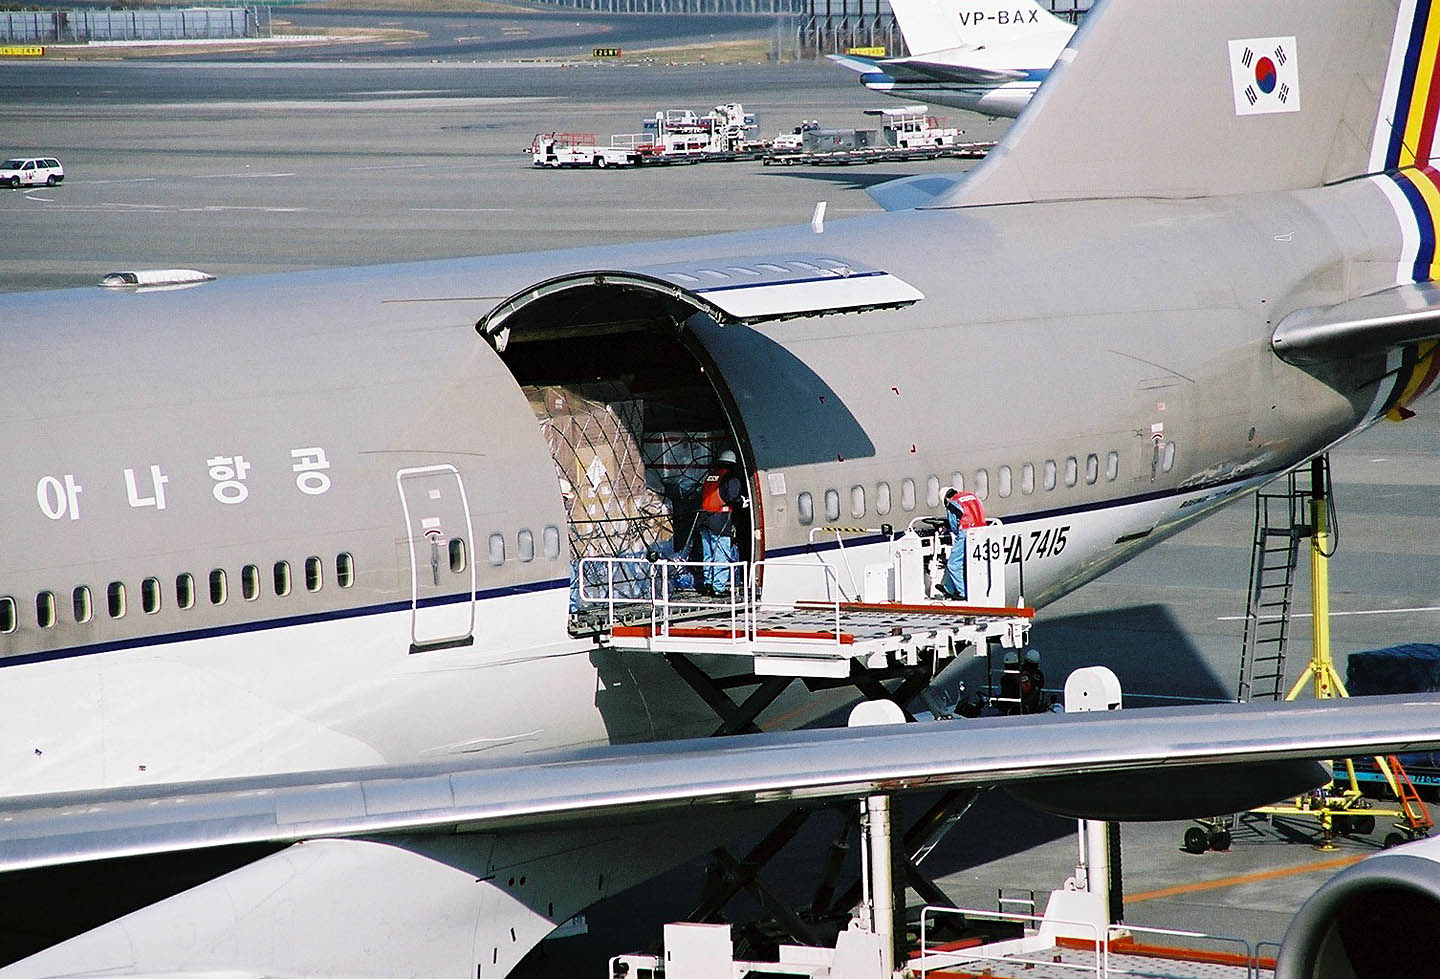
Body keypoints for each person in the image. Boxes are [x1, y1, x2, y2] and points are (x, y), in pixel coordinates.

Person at [698, 448, 746, 597]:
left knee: (708, 554)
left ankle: (708, 584)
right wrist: (742, 502)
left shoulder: (711, 476)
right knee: (721, 554)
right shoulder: (731, 479)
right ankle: (718, 587)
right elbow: (732, 497)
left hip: (704, 518)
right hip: (719, 520)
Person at [937, 487, 968, 600]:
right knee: (961, 562)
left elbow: (955, 526)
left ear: (945, 498)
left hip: (966, 533)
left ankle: (962, 592)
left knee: (953, 563)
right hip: (982, 530)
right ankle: (949, 588)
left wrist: (948, 528)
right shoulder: (968, 497)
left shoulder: (952, 504)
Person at [1019, 648, 1045, 714]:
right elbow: (1041, 685)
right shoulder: (1039, 674)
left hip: (1022, 702)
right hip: (1033, 705)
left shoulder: (1019, 672)